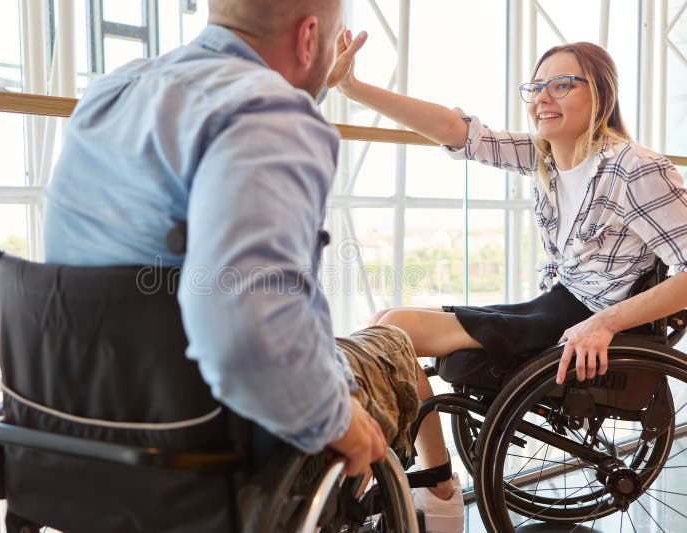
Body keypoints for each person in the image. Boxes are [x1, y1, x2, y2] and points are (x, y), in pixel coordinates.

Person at [43, 1, 464, 530]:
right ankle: (443, 502)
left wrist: (315, 81)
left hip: (77, 400)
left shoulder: (114, 89)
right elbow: (243, 333)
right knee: (393, 343)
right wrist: (335, 419)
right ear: (308, 37)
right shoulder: (268, 112)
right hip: (199, 418)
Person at [330, 34, 687, 395]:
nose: (543, 98)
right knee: (384, 324)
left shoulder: (634, 168)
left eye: (561, 85)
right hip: (557, 303)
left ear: (601, 94)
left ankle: (416, 453)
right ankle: (425, 454)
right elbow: (456, 132)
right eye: (536, 88)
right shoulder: (544, 157)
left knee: (398, 327)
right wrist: (352, 88)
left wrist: (606, 323)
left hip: (591, 317)